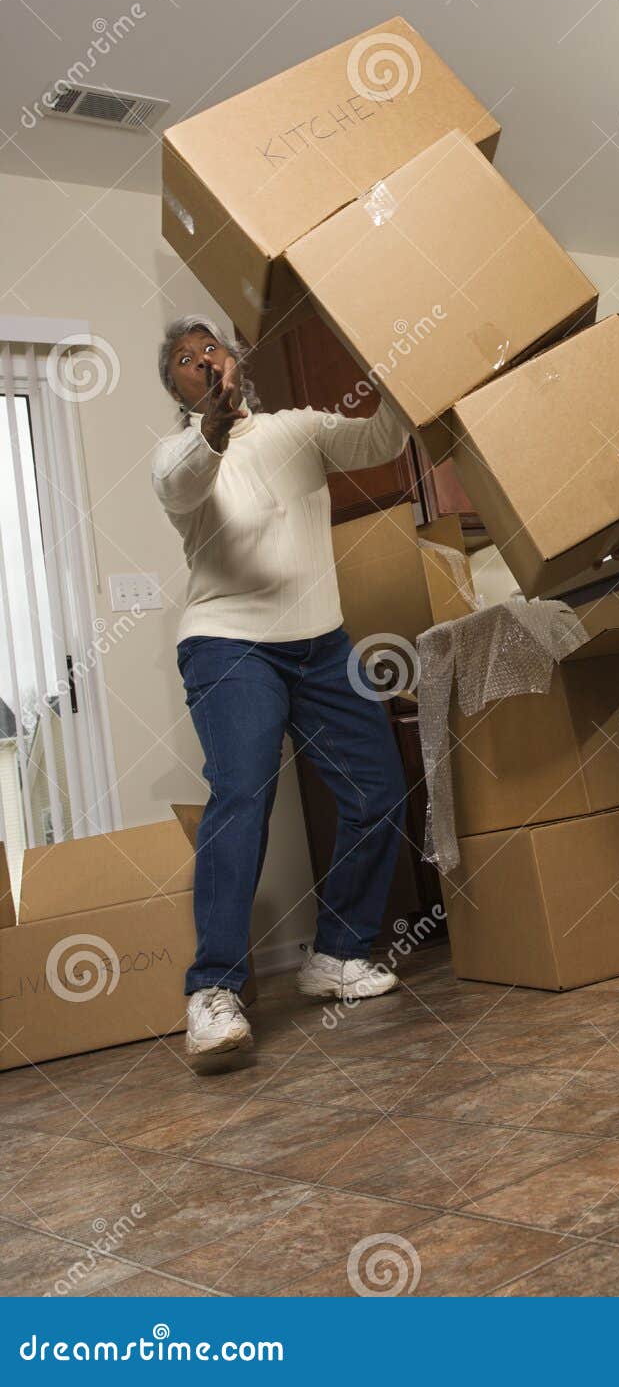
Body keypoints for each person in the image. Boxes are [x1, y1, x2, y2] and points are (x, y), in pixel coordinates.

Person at [152, 316, 411, 1058]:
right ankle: (214, 989)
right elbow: (186, 480)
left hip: (320, 644)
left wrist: (393, 364)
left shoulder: (297, 429)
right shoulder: (176, 452)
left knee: (376, 788)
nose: (202, 359)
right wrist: (215, 424)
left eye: (212, 348)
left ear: (235, 361)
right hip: (228, 645)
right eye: (183, 358)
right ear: (175, 385)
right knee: (244, 792)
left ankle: (334, 955)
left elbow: (382, 439)